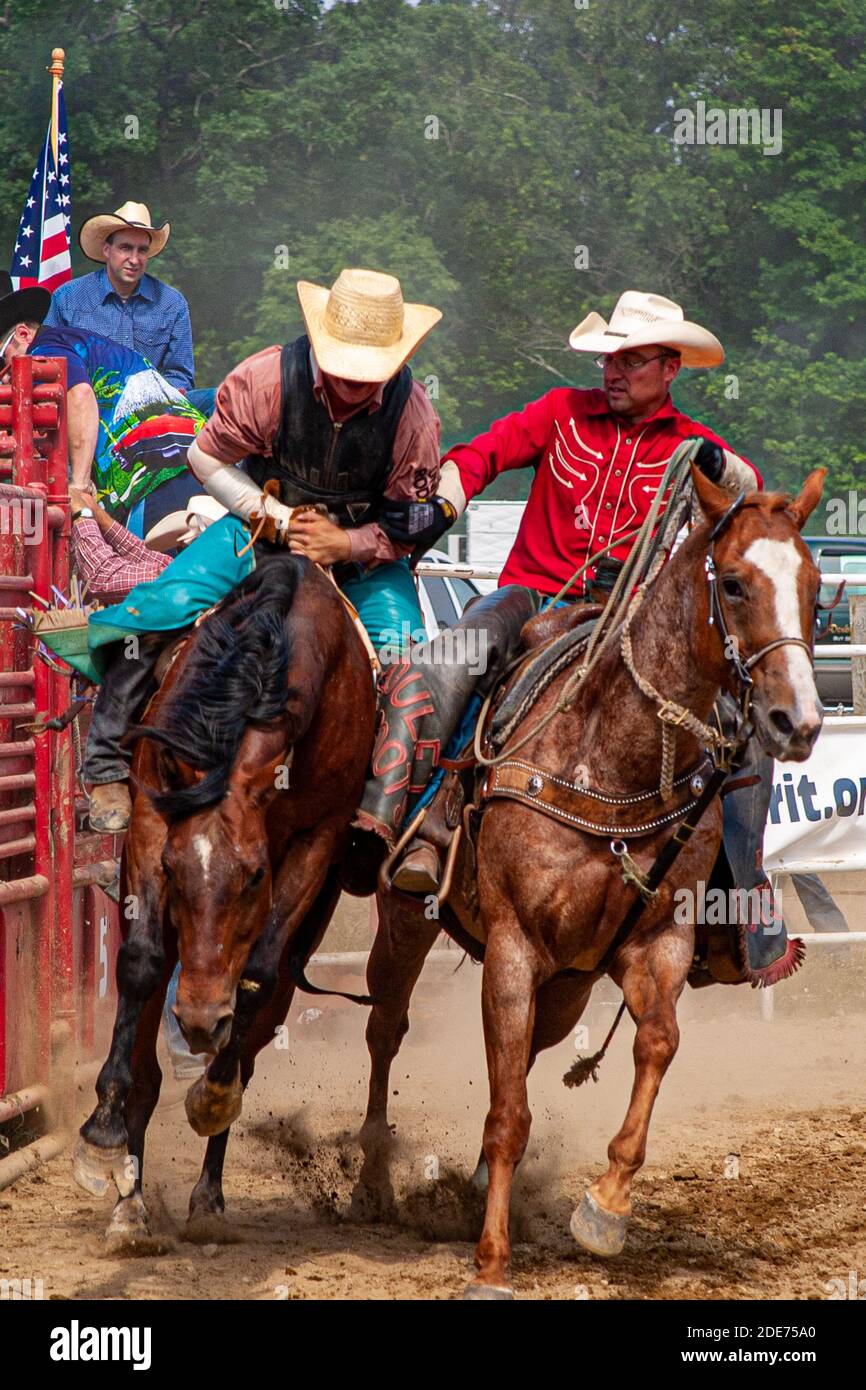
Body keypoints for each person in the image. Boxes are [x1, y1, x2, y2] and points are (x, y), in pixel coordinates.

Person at [358, 290, 762, 893]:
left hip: (634, 619)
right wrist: (446, 496)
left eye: (631, 361)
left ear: (670, 368)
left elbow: (751, 496)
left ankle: (739, 900)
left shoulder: (693, 444)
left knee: (739, 721)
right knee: (445, 664)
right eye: (609, 360)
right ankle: (402, 827)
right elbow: (484, 452)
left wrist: (720, 465)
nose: (613, 372)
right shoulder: (562, 411)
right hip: (532, 598)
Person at [66, 267, 443, 836]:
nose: (353, 384)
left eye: (368, 375)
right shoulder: (267, 378)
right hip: (257, 528)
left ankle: (400, 816)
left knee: (409, 656)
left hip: (365, 557)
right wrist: (281, 521)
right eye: (344, 368)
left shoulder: (414, 415)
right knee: (160, 604)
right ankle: (107, 764)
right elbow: (205, 459)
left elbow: (409, 522)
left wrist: (346, 542)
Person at [0, 274, 206, 534]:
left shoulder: (43, 349)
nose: (5, 376)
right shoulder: (75, 341)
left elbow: (80, 395)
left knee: (164, 567)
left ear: (22, 334)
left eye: (2, 360)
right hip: (194, 457)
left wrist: (79, 484)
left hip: (158, 470)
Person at [42, 201, 200, 398]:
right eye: (125, 248)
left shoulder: (172, 304)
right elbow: (47, 364)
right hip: (88, 410)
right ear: (107, 250)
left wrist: (156, 401)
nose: (134, 259)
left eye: (142, 250)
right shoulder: (67, 298)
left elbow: (180, 375)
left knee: (214, 398)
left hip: (153, 413)